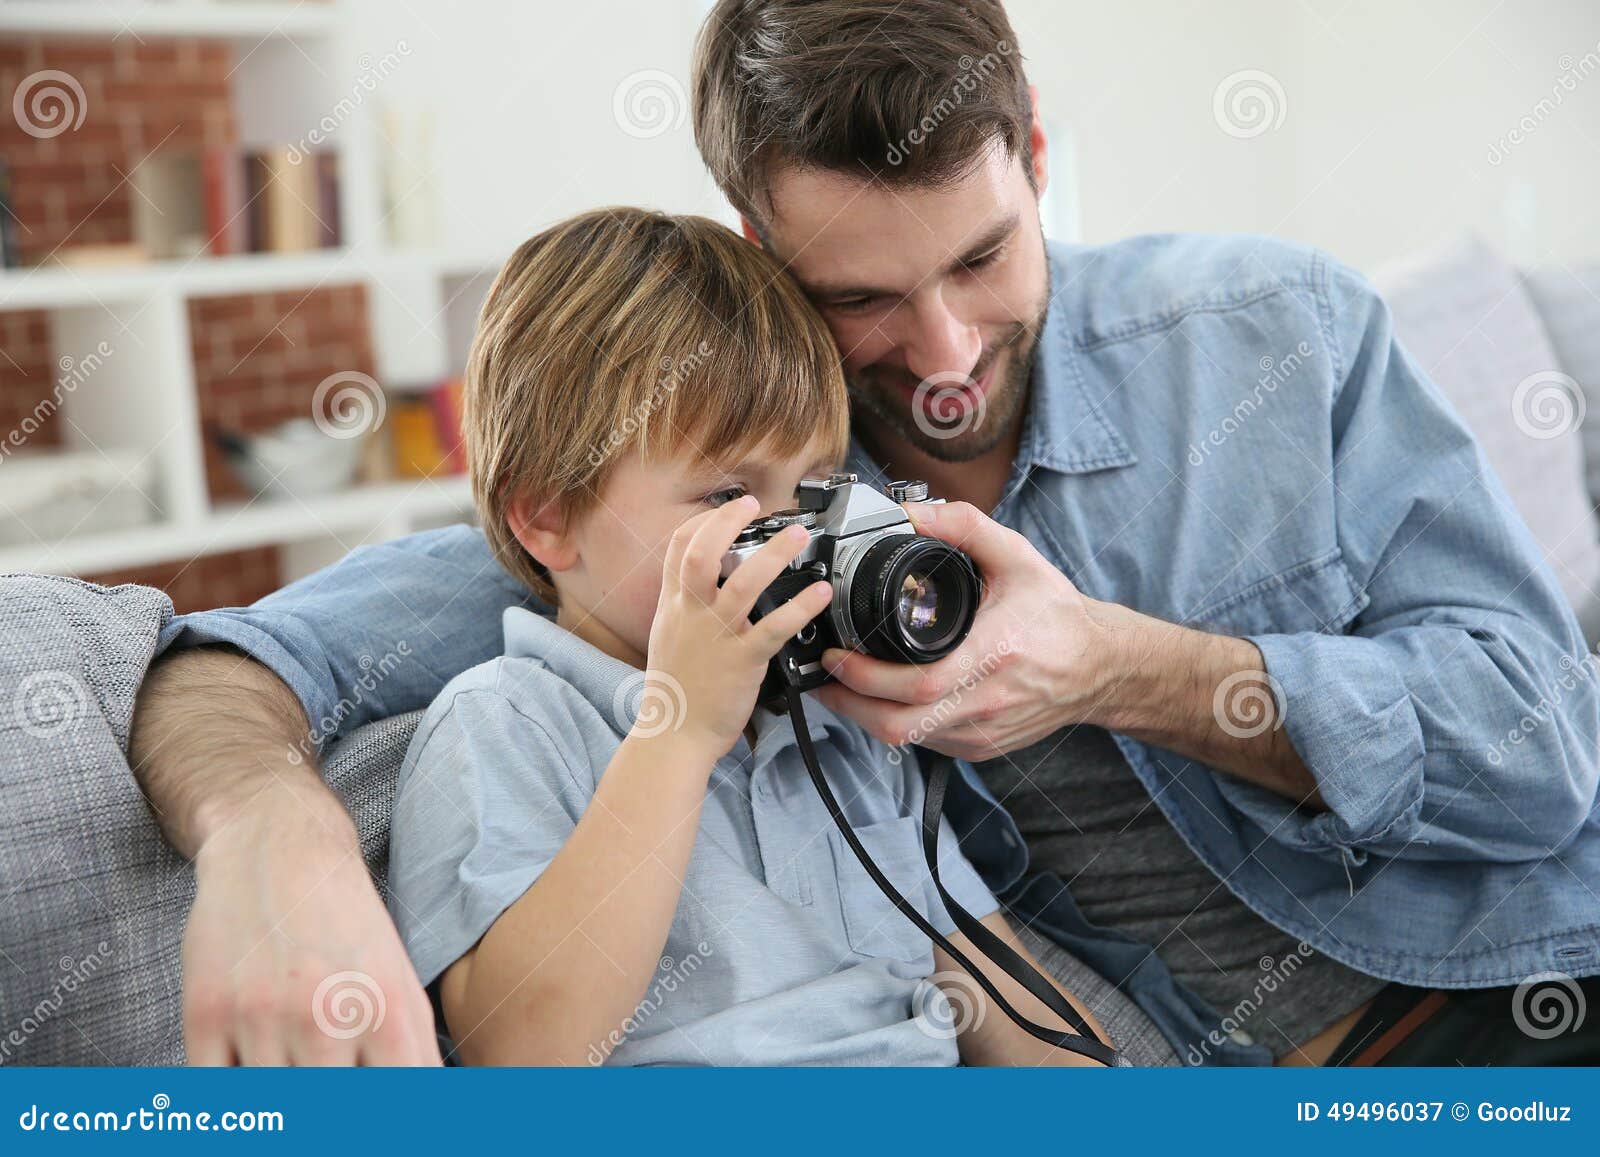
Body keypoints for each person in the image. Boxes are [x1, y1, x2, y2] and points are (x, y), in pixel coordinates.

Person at [130, 0, 1600, 1067]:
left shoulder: (1274, 333)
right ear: (768, 249)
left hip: (1512, 982)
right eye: (864, 300)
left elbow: (1547, 751)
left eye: (982, 256)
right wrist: (273, 833)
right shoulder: (724, 496)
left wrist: (1118, 666)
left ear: (1032, 156)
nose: (947, 350)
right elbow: (245, 663)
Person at [383, 207, 1107, 1066]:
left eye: (816, 491)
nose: (792, 539)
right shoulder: (508, 724)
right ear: (547, 514)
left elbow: (1017, 1012)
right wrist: (680, 733)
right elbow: (523, 1050)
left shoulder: (843, 724)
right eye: (726, 494)